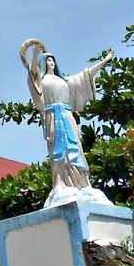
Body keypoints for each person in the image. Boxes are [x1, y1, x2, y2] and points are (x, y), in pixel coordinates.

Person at [20, 39, 114, 207]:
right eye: (47, 60)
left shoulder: (65, 81)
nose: (51, 63)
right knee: (58, 150)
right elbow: (33, 73)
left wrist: (105, 61)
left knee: (76, 148)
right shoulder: (42, 80)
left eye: (52, 60)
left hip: (67, 116)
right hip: (52, 116)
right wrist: (35, 55)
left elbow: (86, 75)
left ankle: (82, 184)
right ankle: (61, 182)